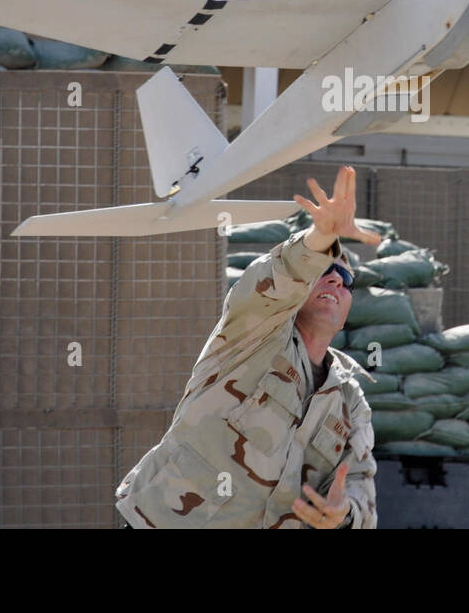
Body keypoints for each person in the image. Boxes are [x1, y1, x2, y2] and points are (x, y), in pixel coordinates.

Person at [115, 165, 382, 528]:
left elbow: (360, 483)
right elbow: (272, 281)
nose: (335, 279)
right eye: (324, 270)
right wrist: (320, 238)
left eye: (346, 278)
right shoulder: (253, 334)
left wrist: (345, 513)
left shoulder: (350, 401)